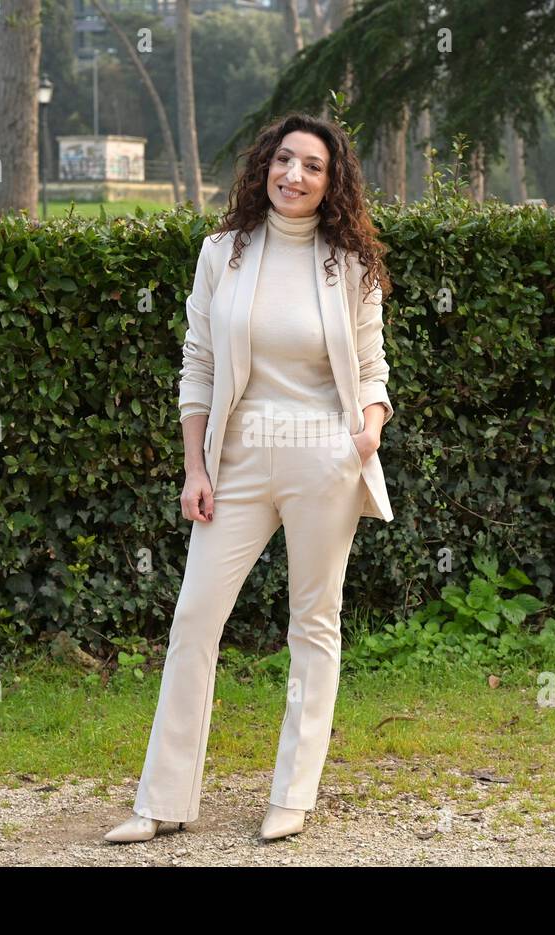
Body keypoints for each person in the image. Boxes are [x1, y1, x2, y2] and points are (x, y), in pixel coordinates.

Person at [104, 112, 395, 844]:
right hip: (235, 462)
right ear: (265, 164)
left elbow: (372, 366)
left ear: (333, 184)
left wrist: (363, 435)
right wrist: (193, 466)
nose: (294, 175)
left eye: (313, 167)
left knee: (312, 624)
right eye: (285, 160)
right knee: (195, 619)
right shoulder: (222, 253)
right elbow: (197, 363)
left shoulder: (350, 264)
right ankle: (164, 800)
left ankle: (292, 793)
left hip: (322, 459)